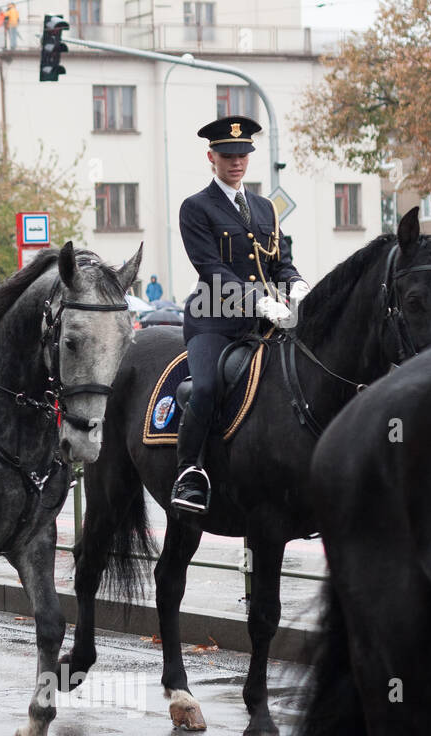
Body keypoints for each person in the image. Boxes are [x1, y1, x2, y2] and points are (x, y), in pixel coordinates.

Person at [171, 115, 308, 514]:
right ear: (211, 156)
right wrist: (258, 300)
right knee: (208, 387)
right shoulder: (195, 207)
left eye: (243, 154)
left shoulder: (265, 208)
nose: (237, 162)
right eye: (228, 155)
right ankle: (189, 472)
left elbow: (281, 262)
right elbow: (212, 269)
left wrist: (296, 284)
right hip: (213, 320)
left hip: (265, 322)